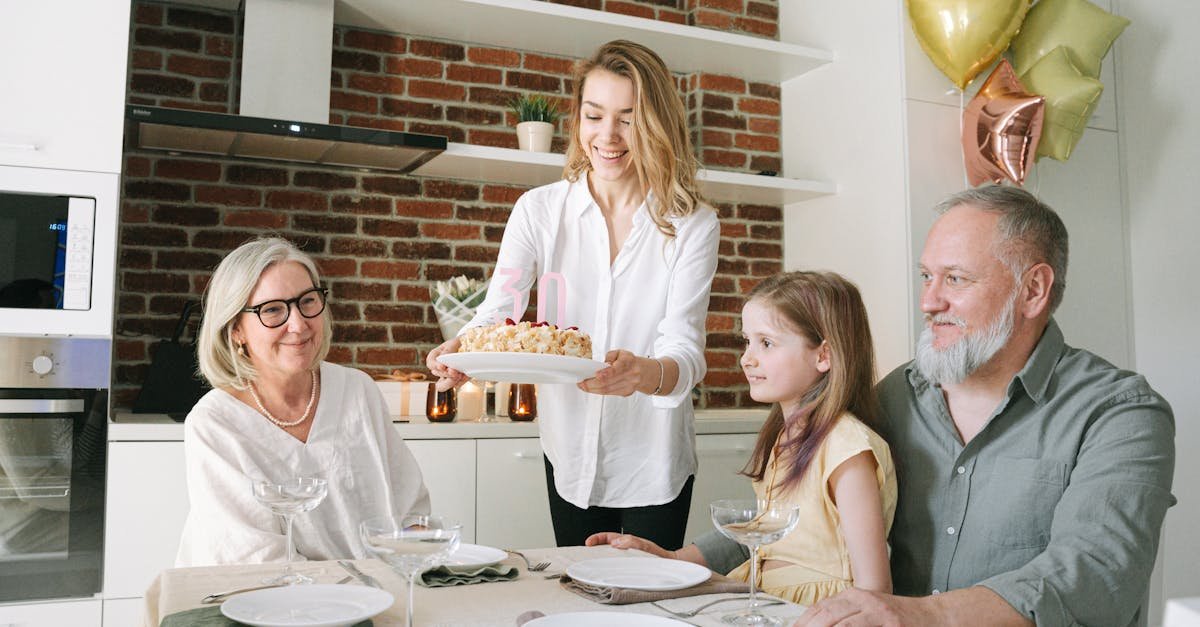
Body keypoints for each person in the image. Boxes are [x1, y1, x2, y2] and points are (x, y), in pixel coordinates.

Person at [795, 186, 1175, 626]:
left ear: (1033, 290)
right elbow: (803, 508)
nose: (929, 302)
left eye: (955, 279)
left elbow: (1094, 574)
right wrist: (700, 562)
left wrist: (920, 615)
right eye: (926, 277)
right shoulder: (894, 396)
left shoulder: (1120, 413)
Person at [427, 40, 720, 550]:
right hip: (568, 451)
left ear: (657, 125)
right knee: (580, 589)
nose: (607, 136)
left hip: (654, 458)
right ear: (578, 120)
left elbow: (686, 349)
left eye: (628, 118)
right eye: (594, 115)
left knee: (650, 602)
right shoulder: (539, 211)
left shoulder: (692, 223)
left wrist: (643, 373)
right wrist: (464, 352)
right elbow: (500, 312)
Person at [588, 271, 897, 605]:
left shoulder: (846, 449)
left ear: (823, 355)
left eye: (766, 343)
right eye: (746, 341)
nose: (747, 358)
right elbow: (762, 534)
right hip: (763, 598)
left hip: (810, 611)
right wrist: (669, 558)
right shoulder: (786, 437)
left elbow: (875, 589)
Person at [176, 237, 430, 566]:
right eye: (272, 310)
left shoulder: (358, 390)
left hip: (373, 594)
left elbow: (412, 509)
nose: (298, 324)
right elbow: (256, 558)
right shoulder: (214, 422)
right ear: (236, 329)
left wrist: (410, 571)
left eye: (307, 301)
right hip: (263, 601)